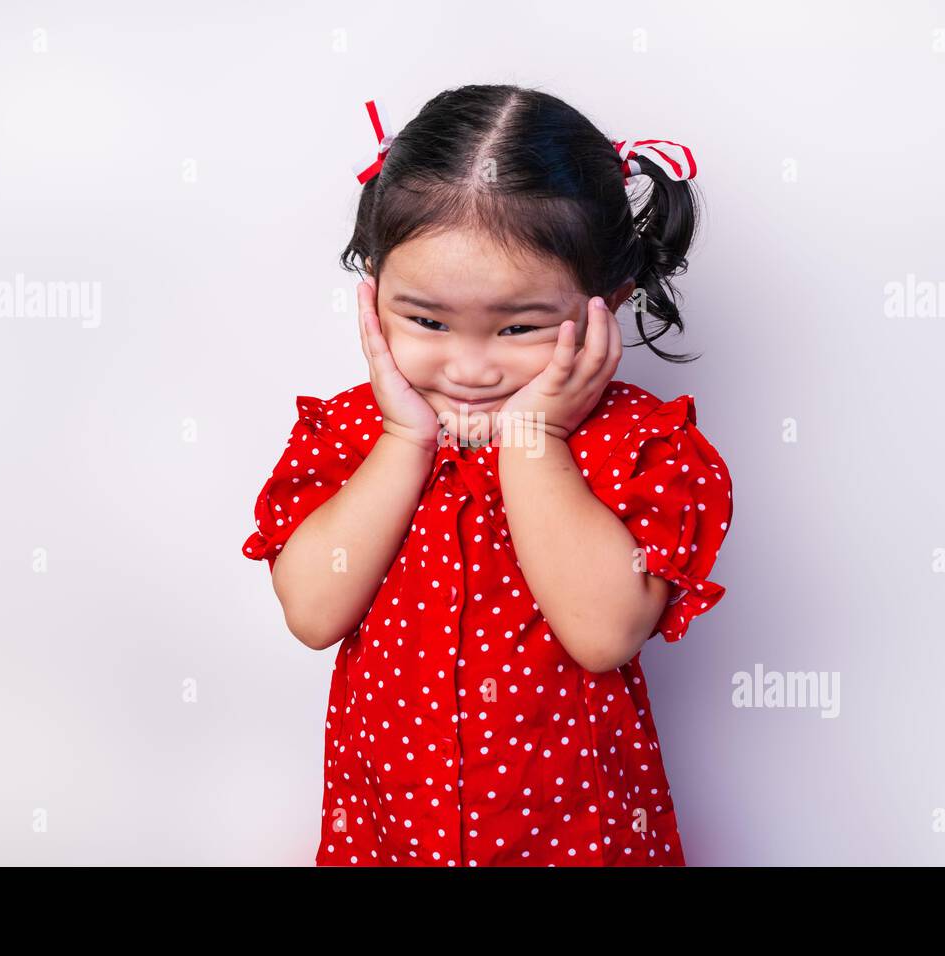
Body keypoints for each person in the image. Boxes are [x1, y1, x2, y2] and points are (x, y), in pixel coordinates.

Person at [241, 84, 733, 866]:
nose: (469, 368)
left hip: (576, 838)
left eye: (520, 326)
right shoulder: (352, 432)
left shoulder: (637, 444)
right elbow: (312, 610)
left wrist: (534, 440)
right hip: (392, 836)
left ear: (608, 305)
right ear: (373, 293)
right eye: (427, 321)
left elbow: (604, 634)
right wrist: (405, 437)